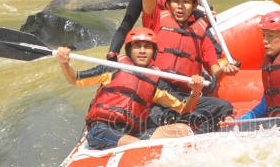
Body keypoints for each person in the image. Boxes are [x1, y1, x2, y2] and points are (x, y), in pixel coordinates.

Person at [141, 0, 238, 133]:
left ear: (194, 7)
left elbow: (213, 69)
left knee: (223, 107)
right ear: (168, 4)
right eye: (176, 2)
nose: (180, 6)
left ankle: (189, 129)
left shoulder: (199, 35)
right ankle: (173, 123)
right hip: (158, 89)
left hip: (185, 95)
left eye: (186, 2)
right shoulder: (156, 19)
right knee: (162, 112)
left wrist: (226, 68)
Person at [56, 27, 205, 149]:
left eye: (147, 47)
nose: (142, 51)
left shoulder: (156, 82)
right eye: (137, 47)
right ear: (129, 50)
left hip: (132, 134)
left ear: (153, 52)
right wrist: (64, 63)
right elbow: (74, 78)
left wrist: (196, 92)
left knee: (182, 129)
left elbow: (185, 109)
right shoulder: (113, 68)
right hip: (102, 130)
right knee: (136, 145)